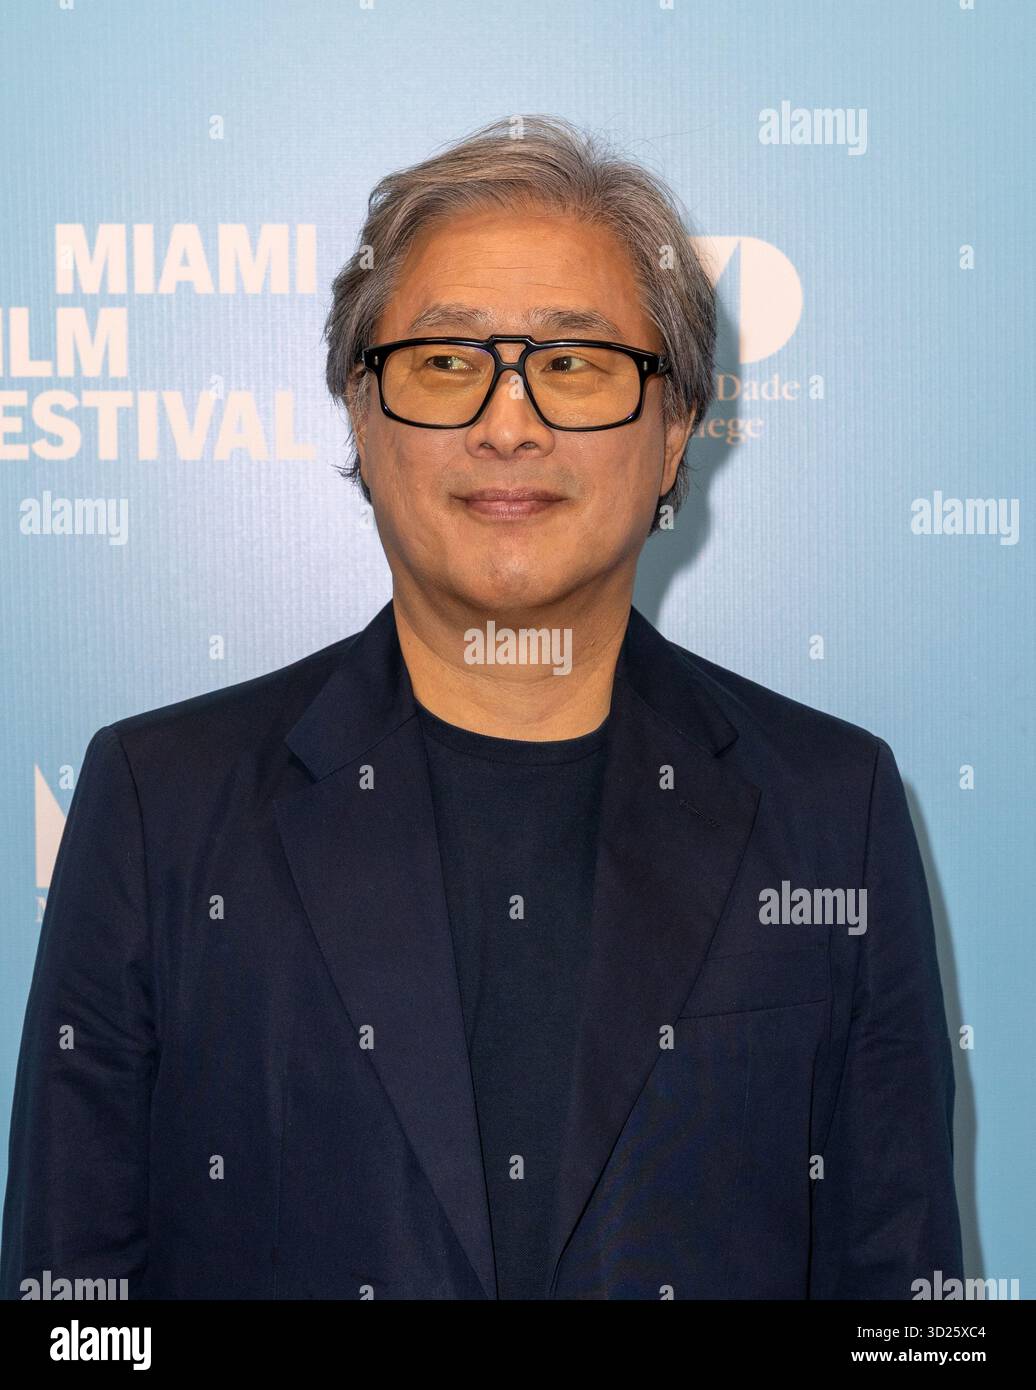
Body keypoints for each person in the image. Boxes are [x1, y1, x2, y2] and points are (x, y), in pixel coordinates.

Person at [1, 115, 962, 1300]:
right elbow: (72, 1306)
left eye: (573, 364)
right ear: (361, 412)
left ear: (673, 434)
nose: (508, 424)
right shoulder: (162, 801)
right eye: (448, 363)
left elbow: (906, 1303)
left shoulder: (831, 804)